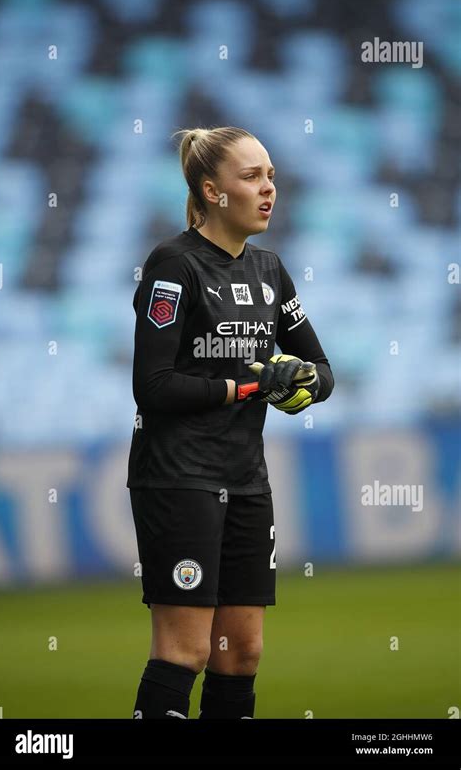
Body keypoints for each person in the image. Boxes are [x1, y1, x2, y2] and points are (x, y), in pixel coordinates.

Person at [127, 126, 334, 719]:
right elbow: (154, 385)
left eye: (270, 176)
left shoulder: (271, 270)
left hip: (246, 480)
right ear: (213, 192)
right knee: (184, 650)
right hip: (179, 478)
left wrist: (300, 385)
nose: (268, 188)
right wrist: (249, 383)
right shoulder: (174, 263)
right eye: (252, 177)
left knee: (240, 653)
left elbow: (322, 370)